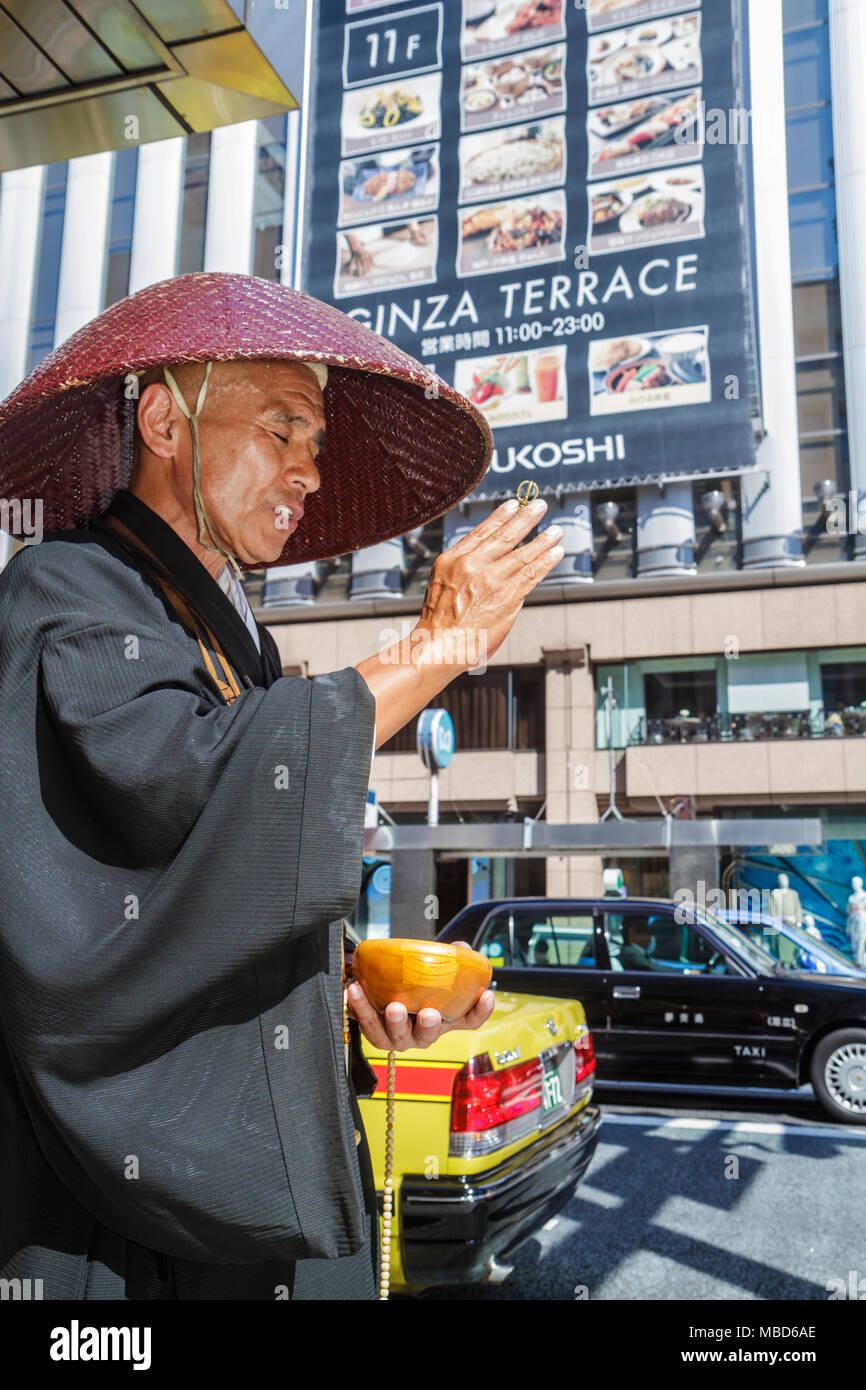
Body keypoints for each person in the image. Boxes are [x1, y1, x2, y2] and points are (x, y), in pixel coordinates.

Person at [0, 273, 565, 1300]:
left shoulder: (231, 629)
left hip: (254, 1167)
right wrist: (441, 643)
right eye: (282, 427)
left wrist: (342, 998)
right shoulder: (63, 587)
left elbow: (225, 893)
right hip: (117, 1203)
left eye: (315, 443)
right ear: (166, 418)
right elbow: (184, 796)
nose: (307, 471)